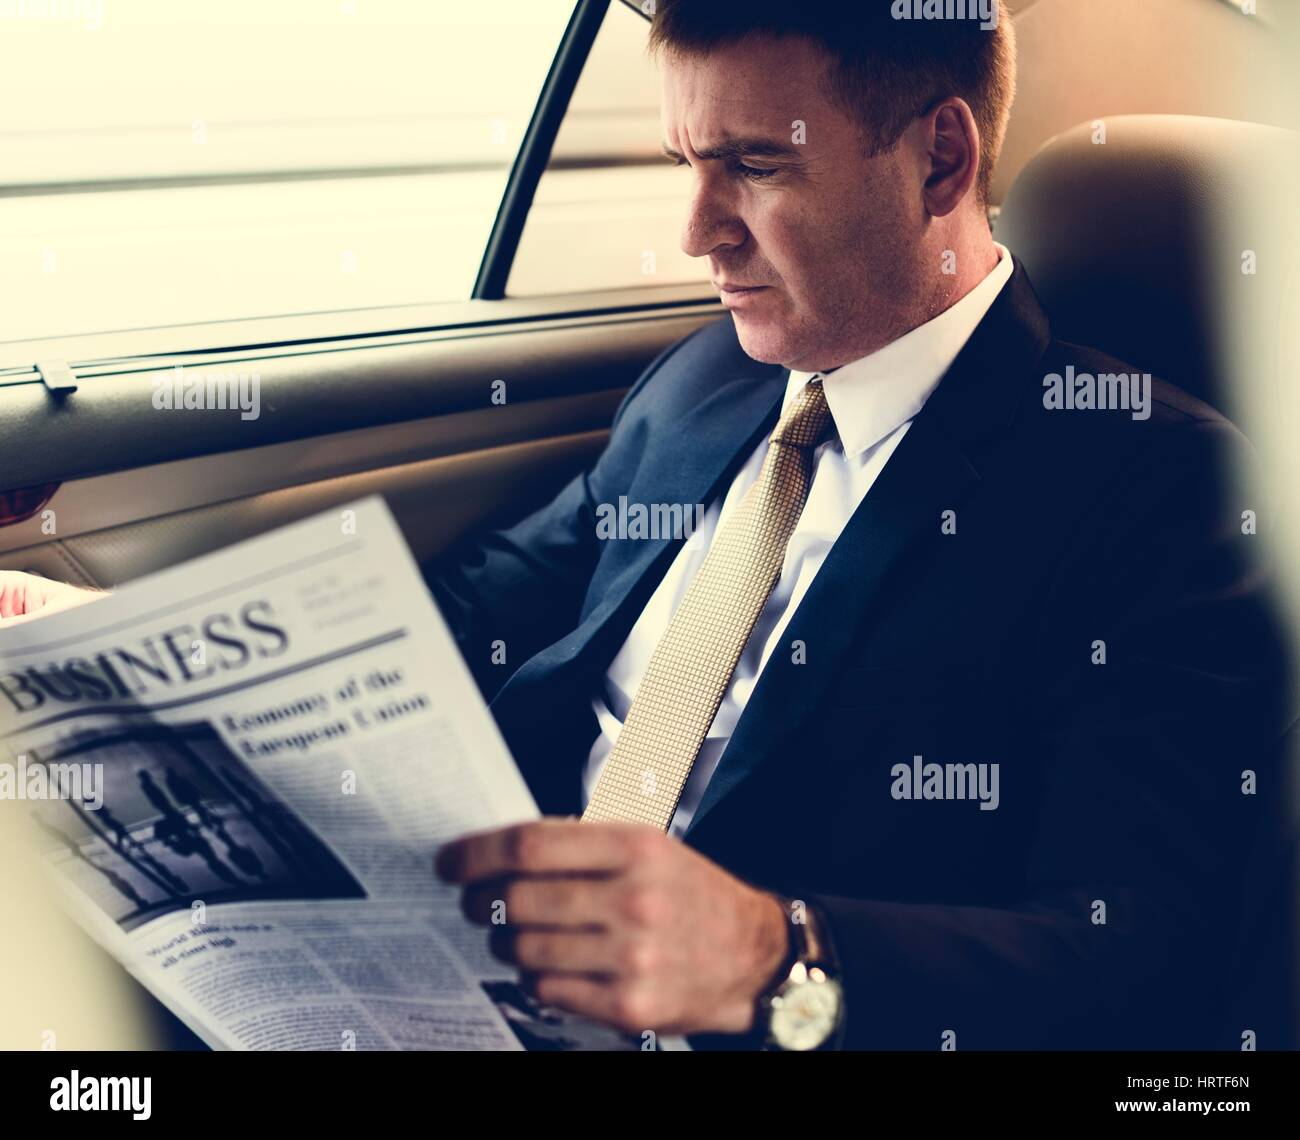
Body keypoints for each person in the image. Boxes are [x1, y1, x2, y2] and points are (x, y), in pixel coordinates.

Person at [2, 1, 1292, 1050]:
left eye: (757, 166)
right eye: (689, 163)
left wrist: (774, 953)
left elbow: (1134, 953)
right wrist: (121, 652)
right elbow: (477, 609)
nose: (695, 234)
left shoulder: (1156, 487)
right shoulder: (706, 380)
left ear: (940, 162)